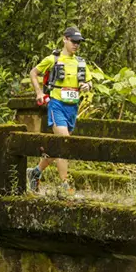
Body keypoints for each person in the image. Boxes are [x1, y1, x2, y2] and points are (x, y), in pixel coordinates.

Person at [26, 26, 92, 196]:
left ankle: (35, 172)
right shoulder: (53, 59)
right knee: (64, 144)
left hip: (73, 108)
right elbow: (34, 73)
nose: (76, 45)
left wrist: (87, 85)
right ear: (65, 39)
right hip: (57, 105)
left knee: (58, 147)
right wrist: (39, 92)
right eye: (73, 41)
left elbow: (89, 82)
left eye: (79, 42)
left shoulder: (81, 62)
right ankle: (65, 185)